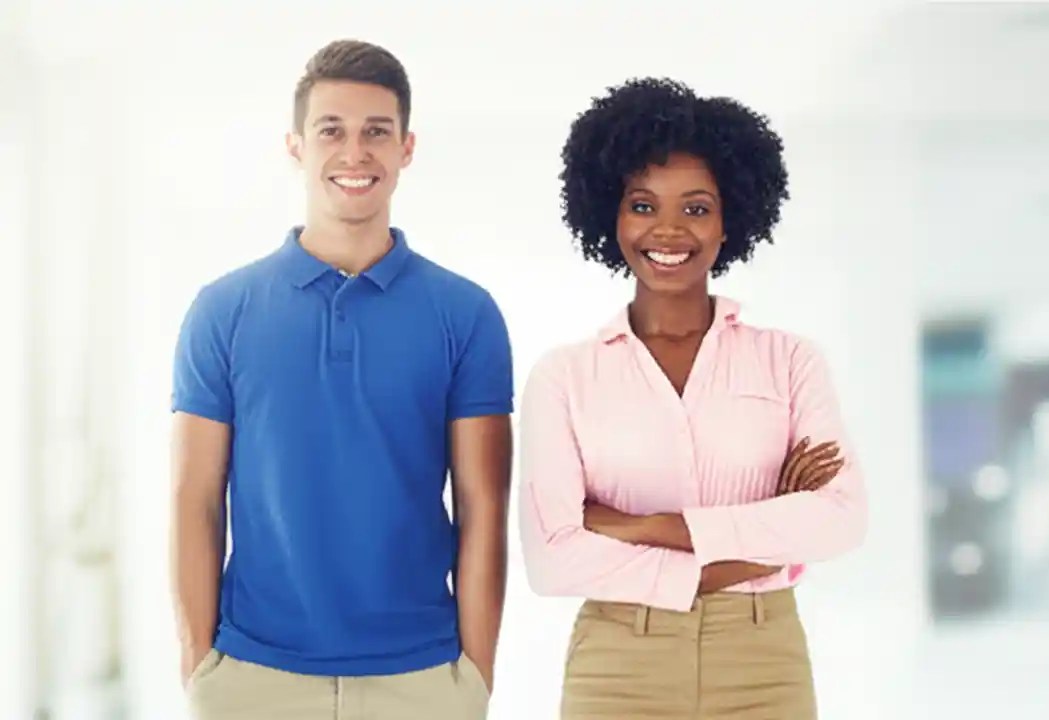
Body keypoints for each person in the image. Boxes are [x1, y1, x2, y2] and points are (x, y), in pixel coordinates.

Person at [170, 39, 510, 719]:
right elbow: (194, 498)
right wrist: (199, 668)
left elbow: (484, 507)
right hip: (252, 675)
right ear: (296, 145)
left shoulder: (465, 314)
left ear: (406, 148)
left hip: (422, 677)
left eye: (376, 132)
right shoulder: (222, 310)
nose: (355, 153)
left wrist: (474, 676)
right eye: (332, 130)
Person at [517, 77, 870, 718]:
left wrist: (641, 528)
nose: (670, 229)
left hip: (762, 660)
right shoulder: (564, 377)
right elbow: (553, 561)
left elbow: (840, 517)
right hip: (619, 665)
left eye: (697, 207)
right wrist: (769, 535)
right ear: (611, 215)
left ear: (732, 216)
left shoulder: (789, 361)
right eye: (644, 205)